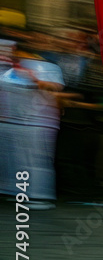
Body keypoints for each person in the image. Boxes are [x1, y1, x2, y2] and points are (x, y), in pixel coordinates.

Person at [0, 42, 66, 210]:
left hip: (40, 123)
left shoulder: (46, 67)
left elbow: (55, 89)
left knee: (37, 160)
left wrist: (33, 79)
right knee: (17, 161)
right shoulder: (8, 69)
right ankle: (18, 192)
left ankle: (40, 197)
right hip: (14, 123)